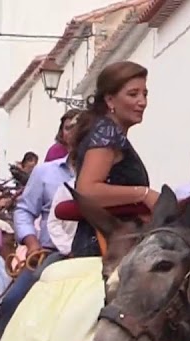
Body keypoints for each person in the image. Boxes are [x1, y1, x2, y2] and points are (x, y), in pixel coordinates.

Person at [66, 60, 156, 258]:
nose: (142, 101)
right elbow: (87, 190)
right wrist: (143, 194)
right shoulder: (107, 132)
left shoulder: (108, 132)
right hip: (104, 247)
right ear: (110, 100)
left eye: (144, 94)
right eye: (133, 94)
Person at [0, 144, 75, 333]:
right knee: (13, 302)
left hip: (89, 256)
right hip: (47, 253)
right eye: (71, 127)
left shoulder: (107, 174)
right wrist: (32, 243)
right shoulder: (44, 172)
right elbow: (24, 211)